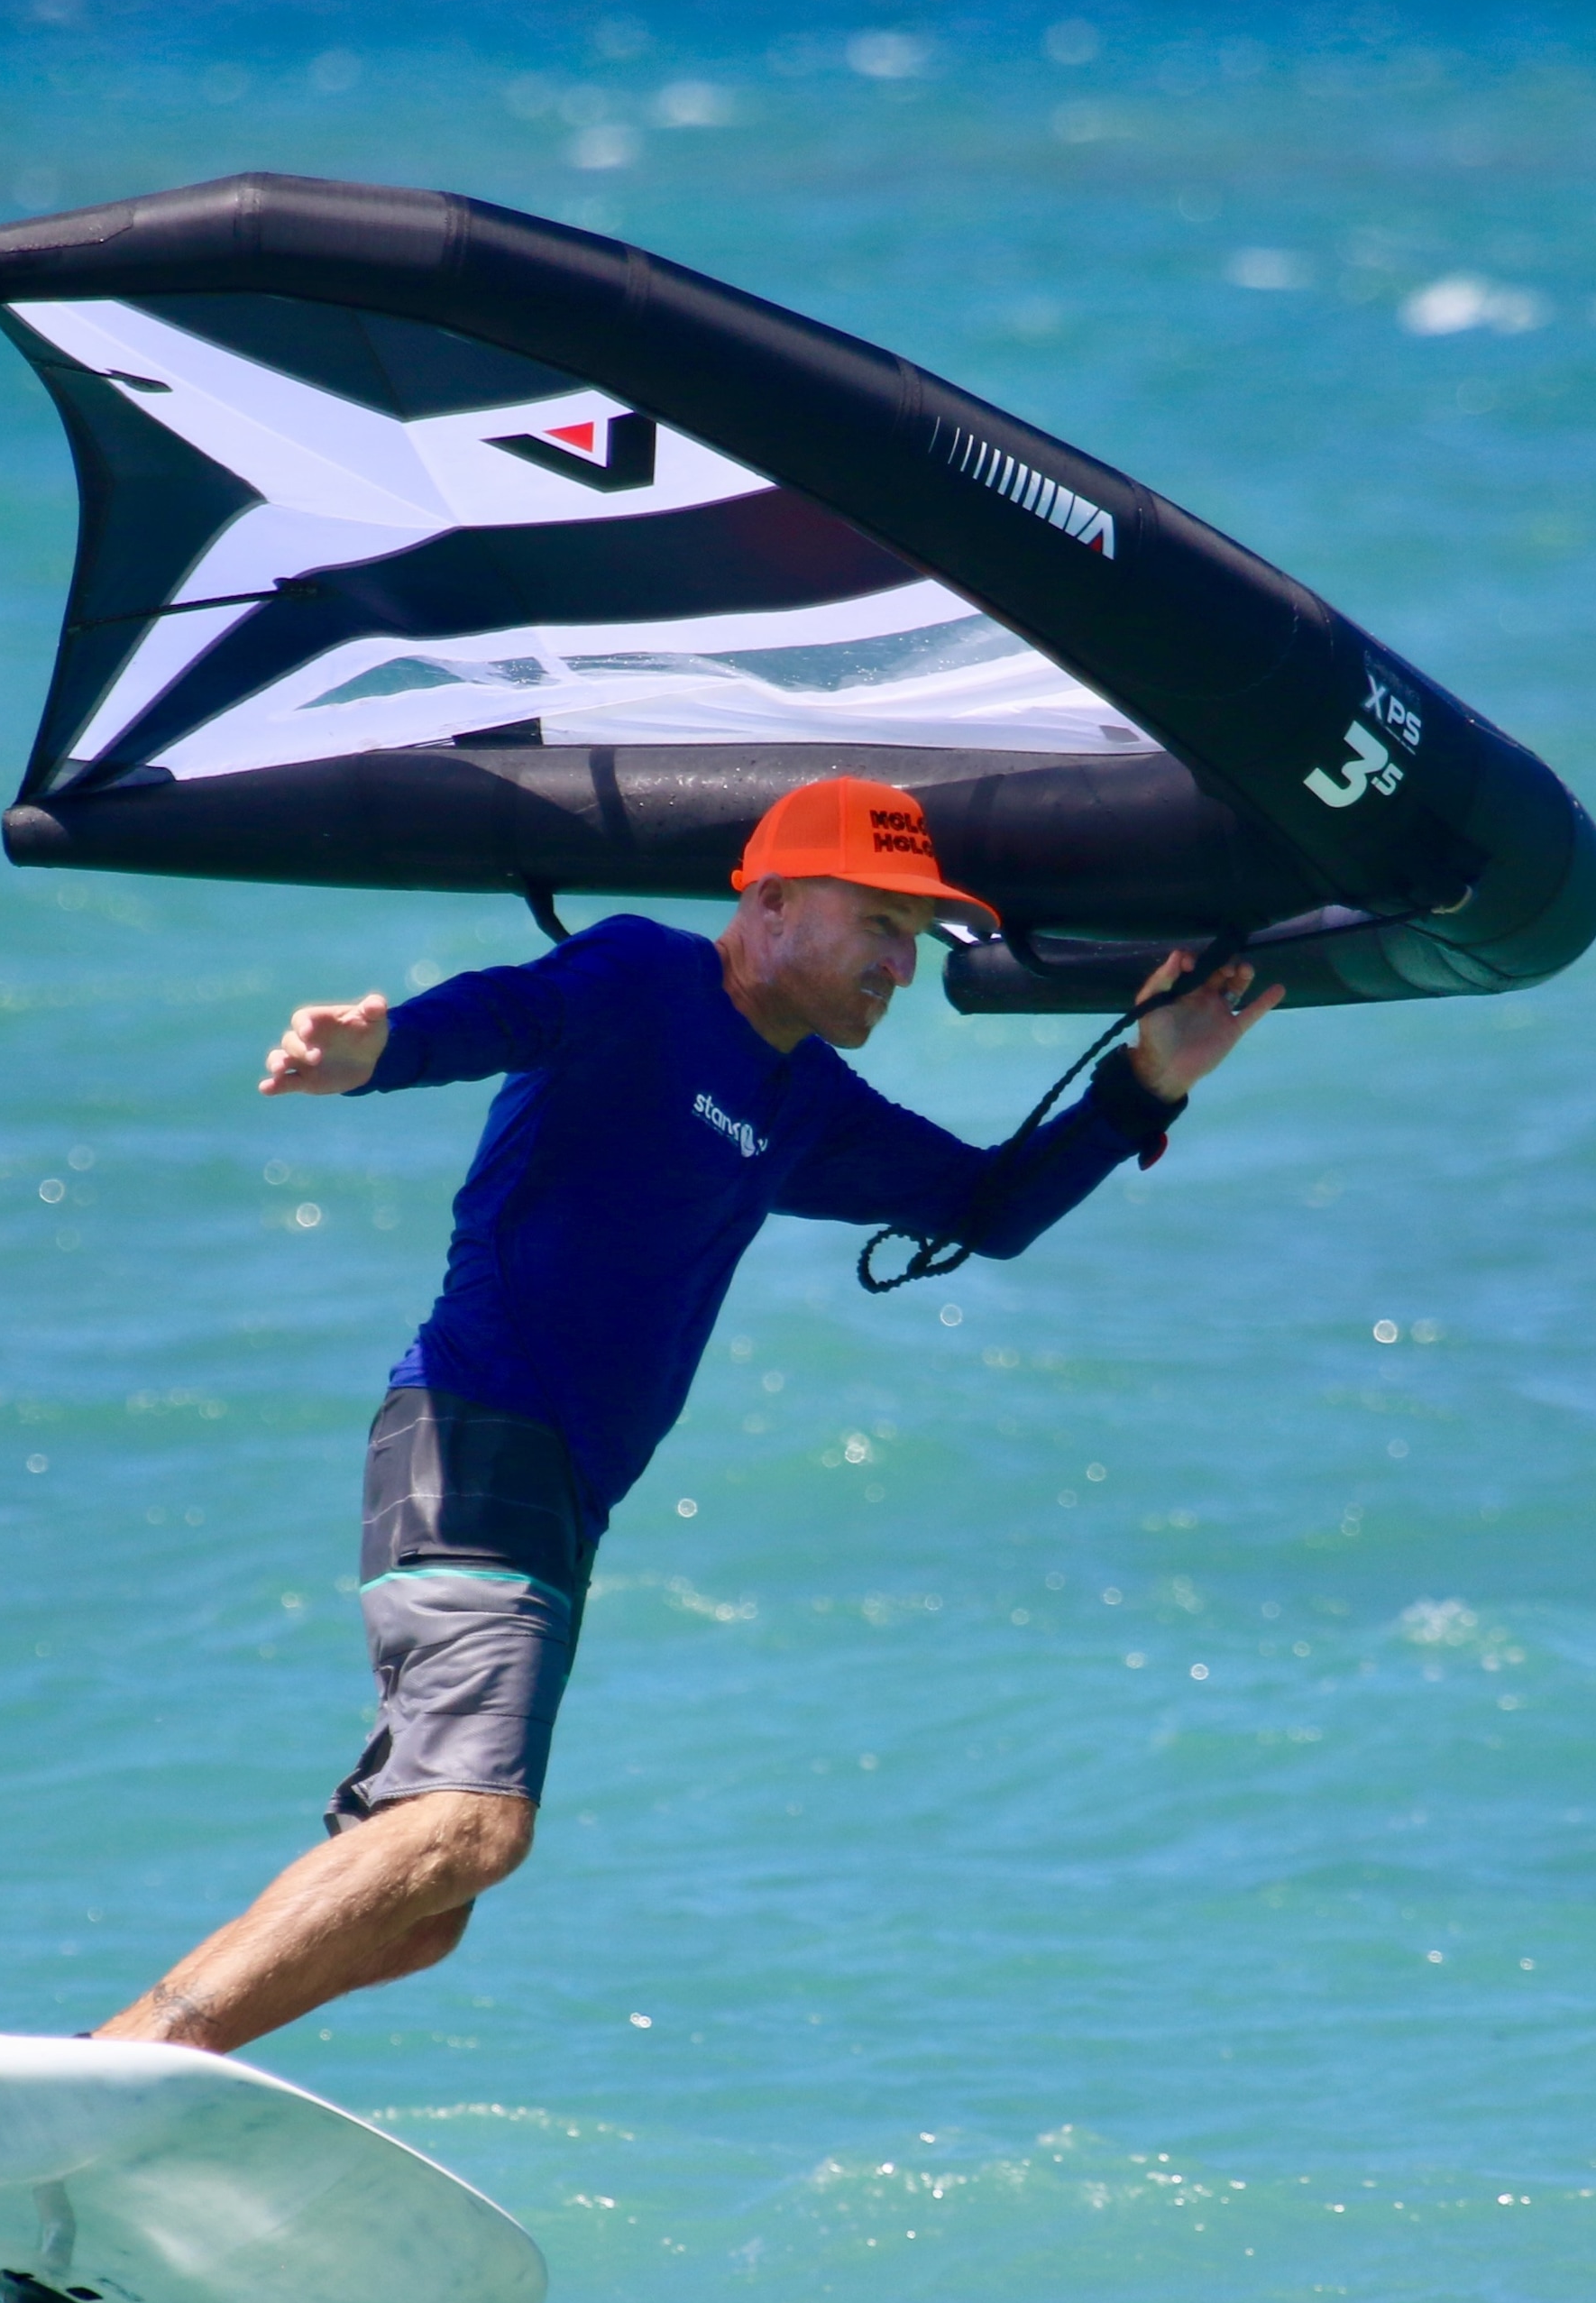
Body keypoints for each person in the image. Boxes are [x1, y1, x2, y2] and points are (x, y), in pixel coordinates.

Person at [94, 775, 1280, 2053]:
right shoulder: (643, 978)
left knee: (424, 1903)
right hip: (478, 1431)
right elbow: (508, 1012)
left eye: (913, 935)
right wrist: (375, 1054)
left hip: (551, 1492)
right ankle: (131, 2069)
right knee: (473, 1823)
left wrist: (1148, 1082)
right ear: (770, 901)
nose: (900, 962)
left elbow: (986, 1210)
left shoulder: (802, 1099)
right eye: (878, 922)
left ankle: (118, 2067)